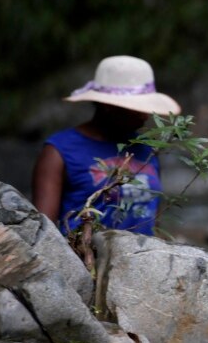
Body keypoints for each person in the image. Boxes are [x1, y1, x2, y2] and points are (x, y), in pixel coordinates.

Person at [31, 55, 182, 236]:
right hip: (82, 260)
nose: (145, 116)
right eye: (136, 107)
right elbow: (43, 234)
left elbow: (152, 219)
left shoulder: (147, 149)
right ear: (108, 105)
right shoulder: (59, 152)